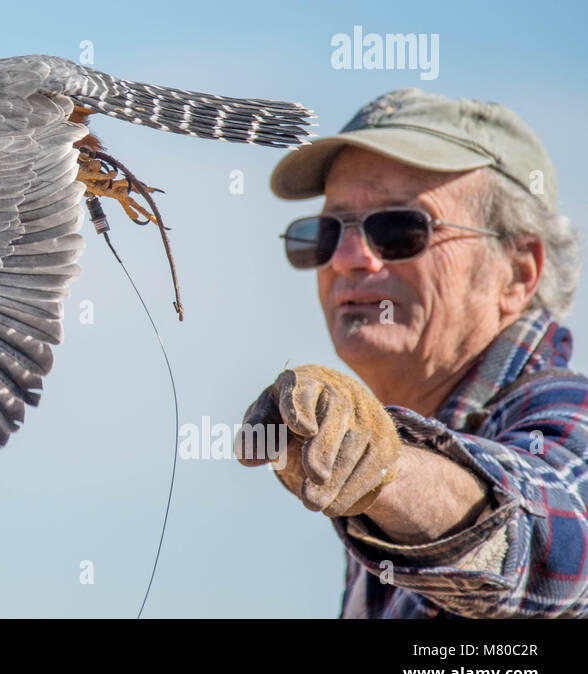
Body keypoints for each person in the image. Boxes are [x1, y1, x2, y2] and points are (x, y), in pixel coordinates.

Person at [236, 88, 588, 617]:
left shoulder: (569, 416)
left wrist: (387, 470)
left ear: (518, 272)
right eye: (326, 233)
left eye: (400, 229)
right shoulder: (385, 495)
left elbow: (550, 535)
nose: (351, 259)